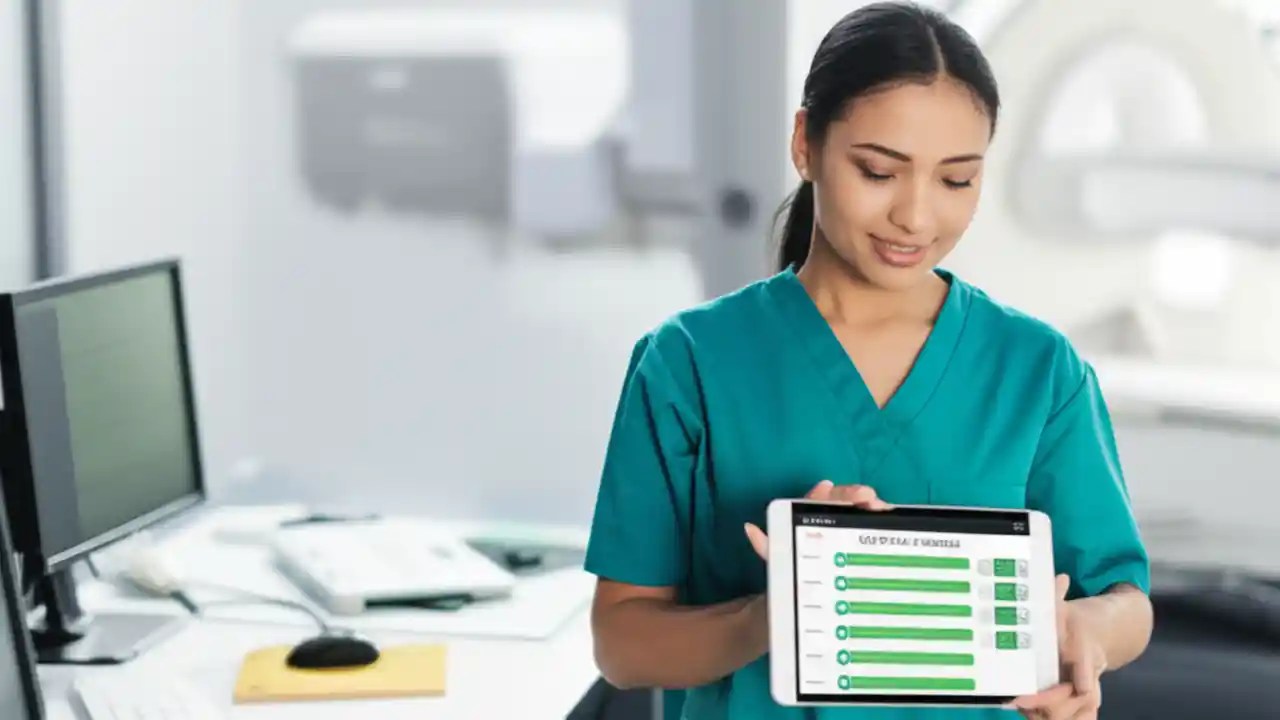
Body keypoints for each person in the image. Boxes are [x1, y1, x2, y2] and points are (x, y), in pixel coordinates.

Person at [583, 2, 1153, 718]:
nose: (916, 217)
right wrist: (776, 611)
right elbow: (623, 645)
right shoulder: (690, 363)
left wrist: (1083, 631)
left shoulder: (1037, 371)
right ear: (806, 143)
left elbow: (1126, 600)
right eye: (879, 171)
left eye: (956, 180)